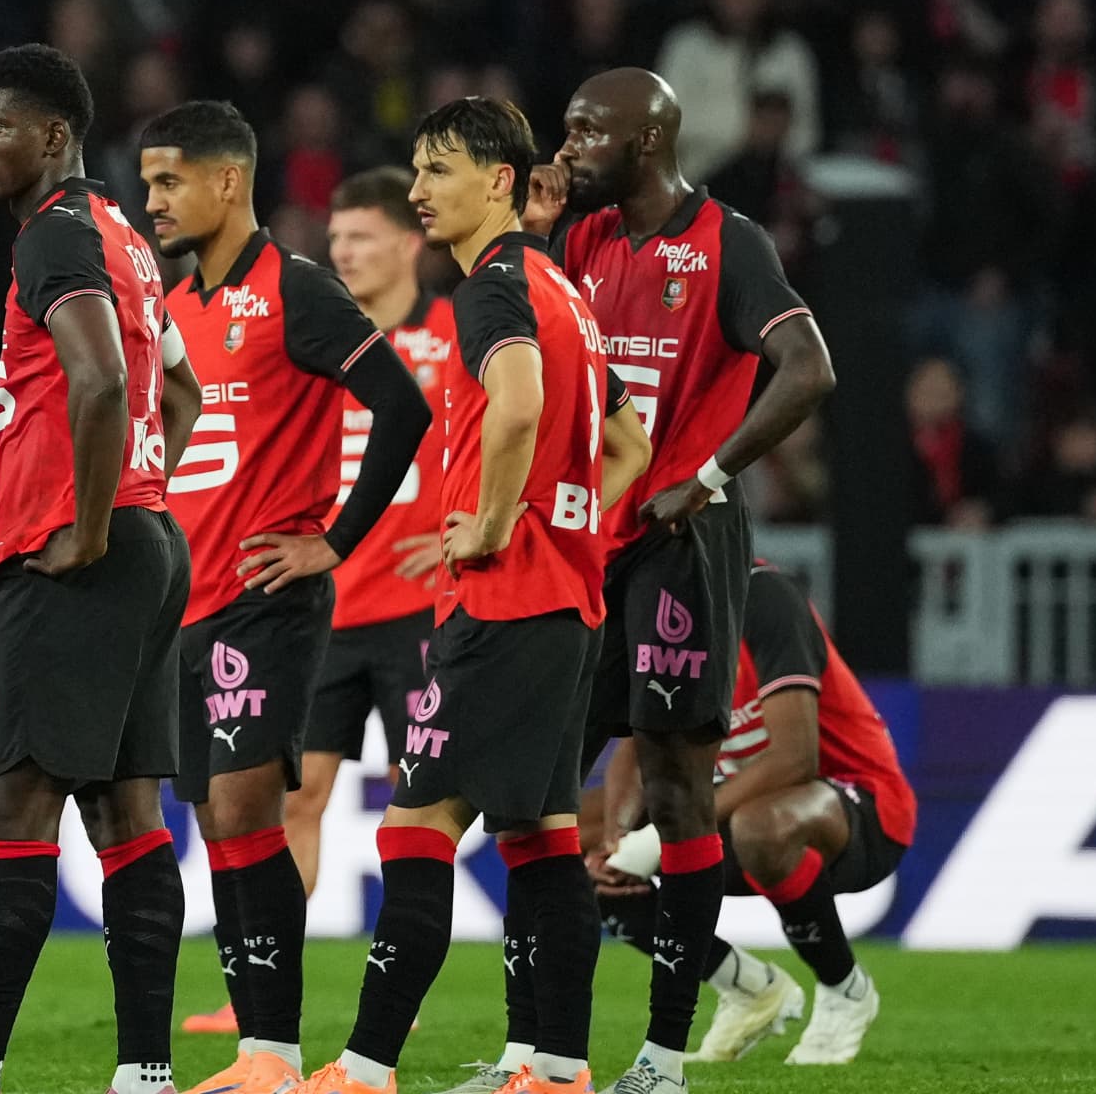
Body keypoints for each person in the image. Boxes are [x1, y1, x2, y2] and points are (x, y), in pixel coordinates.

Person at [294, 96, 649, 1094]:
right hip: (563, 601)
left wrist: (496, 525)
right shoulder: (557, 286)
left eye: (437, 169)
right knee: (538, 840)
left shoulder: (490, 288)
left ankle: (364, 1069)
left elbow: (519, 403)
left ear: (499, 181)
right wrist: (567, 520)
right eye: (415, 169)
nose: (418, 189)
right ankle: (555, 1068)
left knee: (415, 829)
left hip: (502, 604)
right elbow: (630, 445)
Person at [523, 68, 837, 1094]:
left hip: (679, 544)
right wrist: (529, 238)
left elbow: (808, 368)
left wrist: (705, 476)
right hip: (588, 542)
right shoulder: (579, 239)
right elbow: (526, 346)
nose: (567, 148)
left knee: (673, 788)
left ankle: (661, 1059)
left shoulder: (727, 243)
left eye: (586, 131)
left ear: (647, 140)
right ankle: (538, 1055)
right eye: (566, 129)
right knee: (538, 787)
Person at [0, 43, 200, 1094]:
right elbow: (181, 392)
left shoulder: (53, 237)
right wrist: (136, 495)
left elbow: (103, 379)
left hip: (79, 552)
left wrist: (84, 523)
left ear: (55, 135)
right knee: (126, 818)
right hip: (146, 540)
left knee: (13, 811)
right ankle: (145, 1074)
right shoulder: (123, 235)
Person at [139, 101, 431, 1094]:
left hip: (265, 597)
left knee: (244, 804)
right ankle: (259, 1052)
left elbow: (402, 405)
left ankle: (277, 1050)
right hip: (185, 604)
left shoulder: (295, 290)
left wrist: (332, 542)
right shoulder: (172, 308)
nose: (153, 201)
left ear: (228, 181)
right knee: (220, 824)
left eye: (169, 181)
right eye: (147, 183)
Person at [584, 561, 913, 1066]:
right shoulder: (652, 610)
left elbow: (795, 758)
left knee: (762, 825)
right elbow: (639, 736)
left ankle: (845, 988)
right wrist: (617, 836)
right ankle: (747, 986)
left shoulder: (763, 597)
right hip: (735, 809)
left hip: (860, 810)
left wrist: (660, 839)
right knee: (571, 840)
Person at [281, 167, 453, 896]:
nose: (343, 253)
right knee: (295, 800)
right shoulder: (319, 338)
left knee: (416, 803)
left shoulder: (457, 333)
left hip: (418, 610)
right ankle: (266, 964)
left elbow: (517, 440)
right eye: (336, 237)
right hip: (325, 609)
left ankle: (402, 968)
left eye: (361, 237)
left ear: (410, 243)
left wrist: (462, 533)